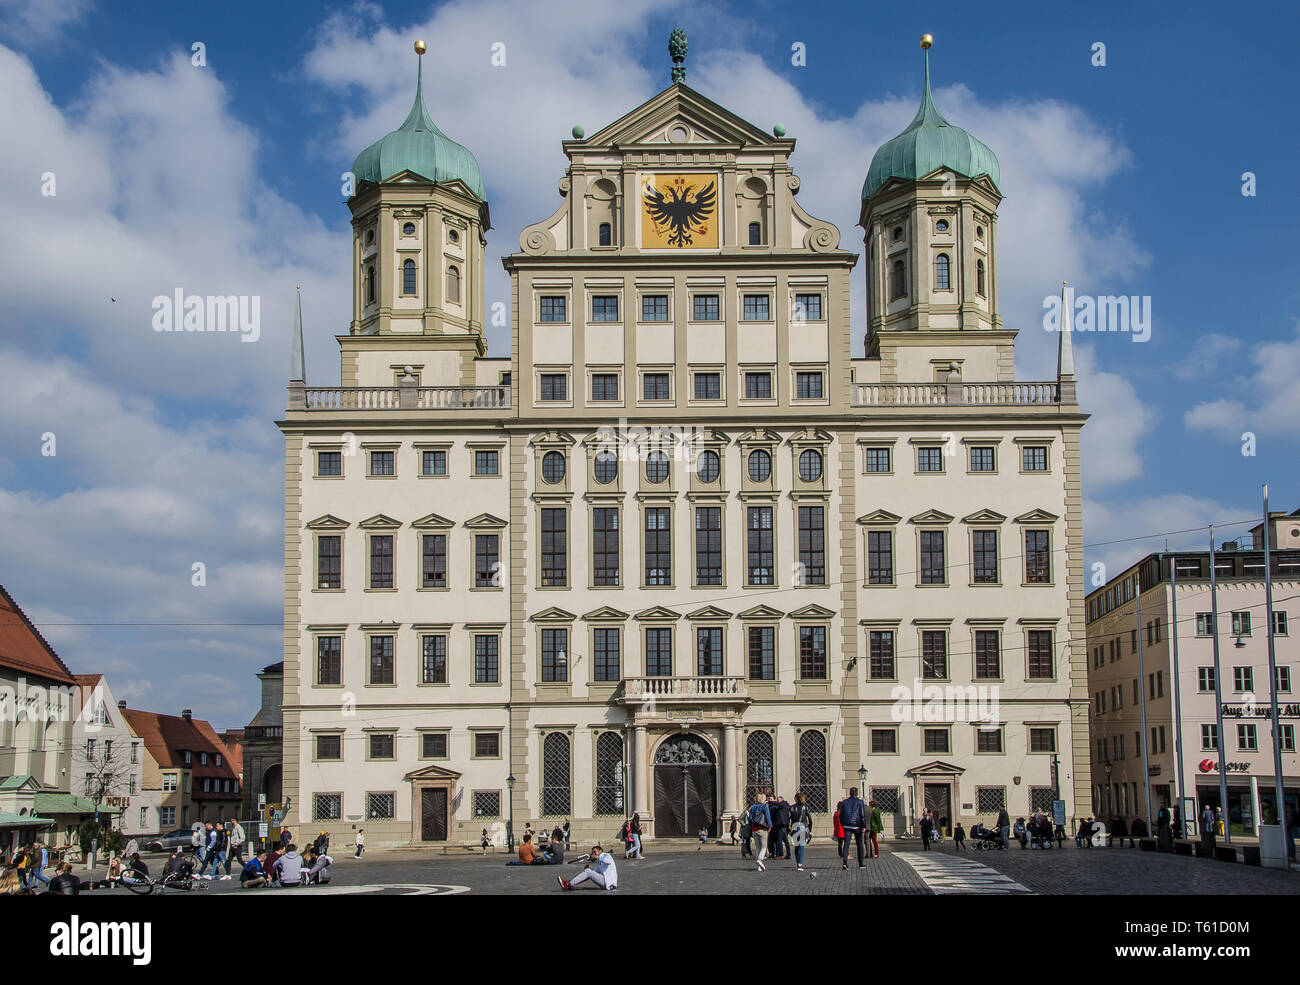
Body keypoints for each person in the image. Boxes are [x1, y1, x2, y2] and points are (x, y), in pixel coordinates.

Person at [837, 787, 867, 869]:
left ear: (850, 793)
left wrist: (843, 824)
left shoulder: (844, 802)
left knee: (846, 845)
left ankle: (845, 862)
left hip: (846, 826)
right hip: (857, 825)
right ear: (856, 793)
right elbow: (862, 815)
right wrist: (864, 826)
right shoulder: (859, 802)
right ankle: (861, 863)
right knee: (859, 844)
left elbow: (841, 815)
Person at [747, 792, 773, 872]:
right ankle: (760, 860)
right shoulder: (764, 806)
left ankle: (759, 867)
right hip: (762, 829)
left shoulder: (753, 807)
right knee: (764, 847)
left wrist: (752, 826)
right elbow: (768, 817)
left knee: (758, 847)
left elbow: (750, 818)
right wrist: (770, 825)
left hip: (754, 829)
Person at [789, 792, 813, 871]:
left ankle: (797, 862)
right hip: (803, 826)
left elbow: (788, 819)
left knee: (797, 845)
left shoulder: (791, 807)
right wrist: (810, 829)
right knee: (802, 845)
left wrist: (789, 829)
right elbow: (810, 819)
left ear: (795, 798)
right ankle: (800, 863)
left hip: (794, 827)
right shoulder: (805, 807)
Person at [769, 796, 790, 860]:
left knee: (779, 840)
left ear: (781, 800)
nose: (777, 802)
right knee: (785, 840)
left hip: (781, 824)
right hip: (784, 824)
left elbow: (779, 804)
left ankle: (780, 854)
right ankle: (788, 854)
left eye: (778, 800)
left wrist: (770, 802)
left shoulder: (783, 804)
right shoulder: (785, 805)